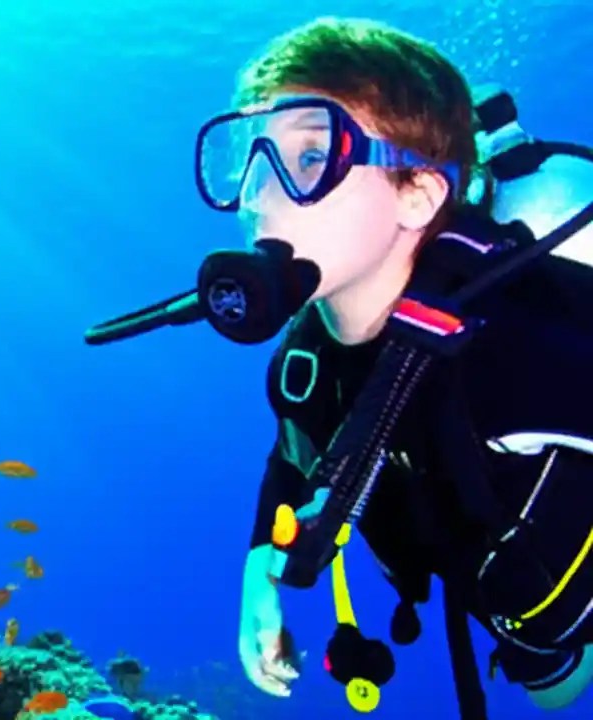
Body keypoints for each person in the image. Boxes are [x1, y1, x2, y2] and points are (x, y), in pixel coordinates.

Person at [84, 16, 593, 720]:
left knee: (556, 682)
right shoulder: (302, 365)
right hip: (498, 591)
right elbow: (295, 456)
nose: (258, 192)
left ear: (418, 194)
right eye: (250, 156)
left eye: (311, 155)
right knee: (551, 686)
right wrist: (257, 577)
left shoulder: (519, 350)